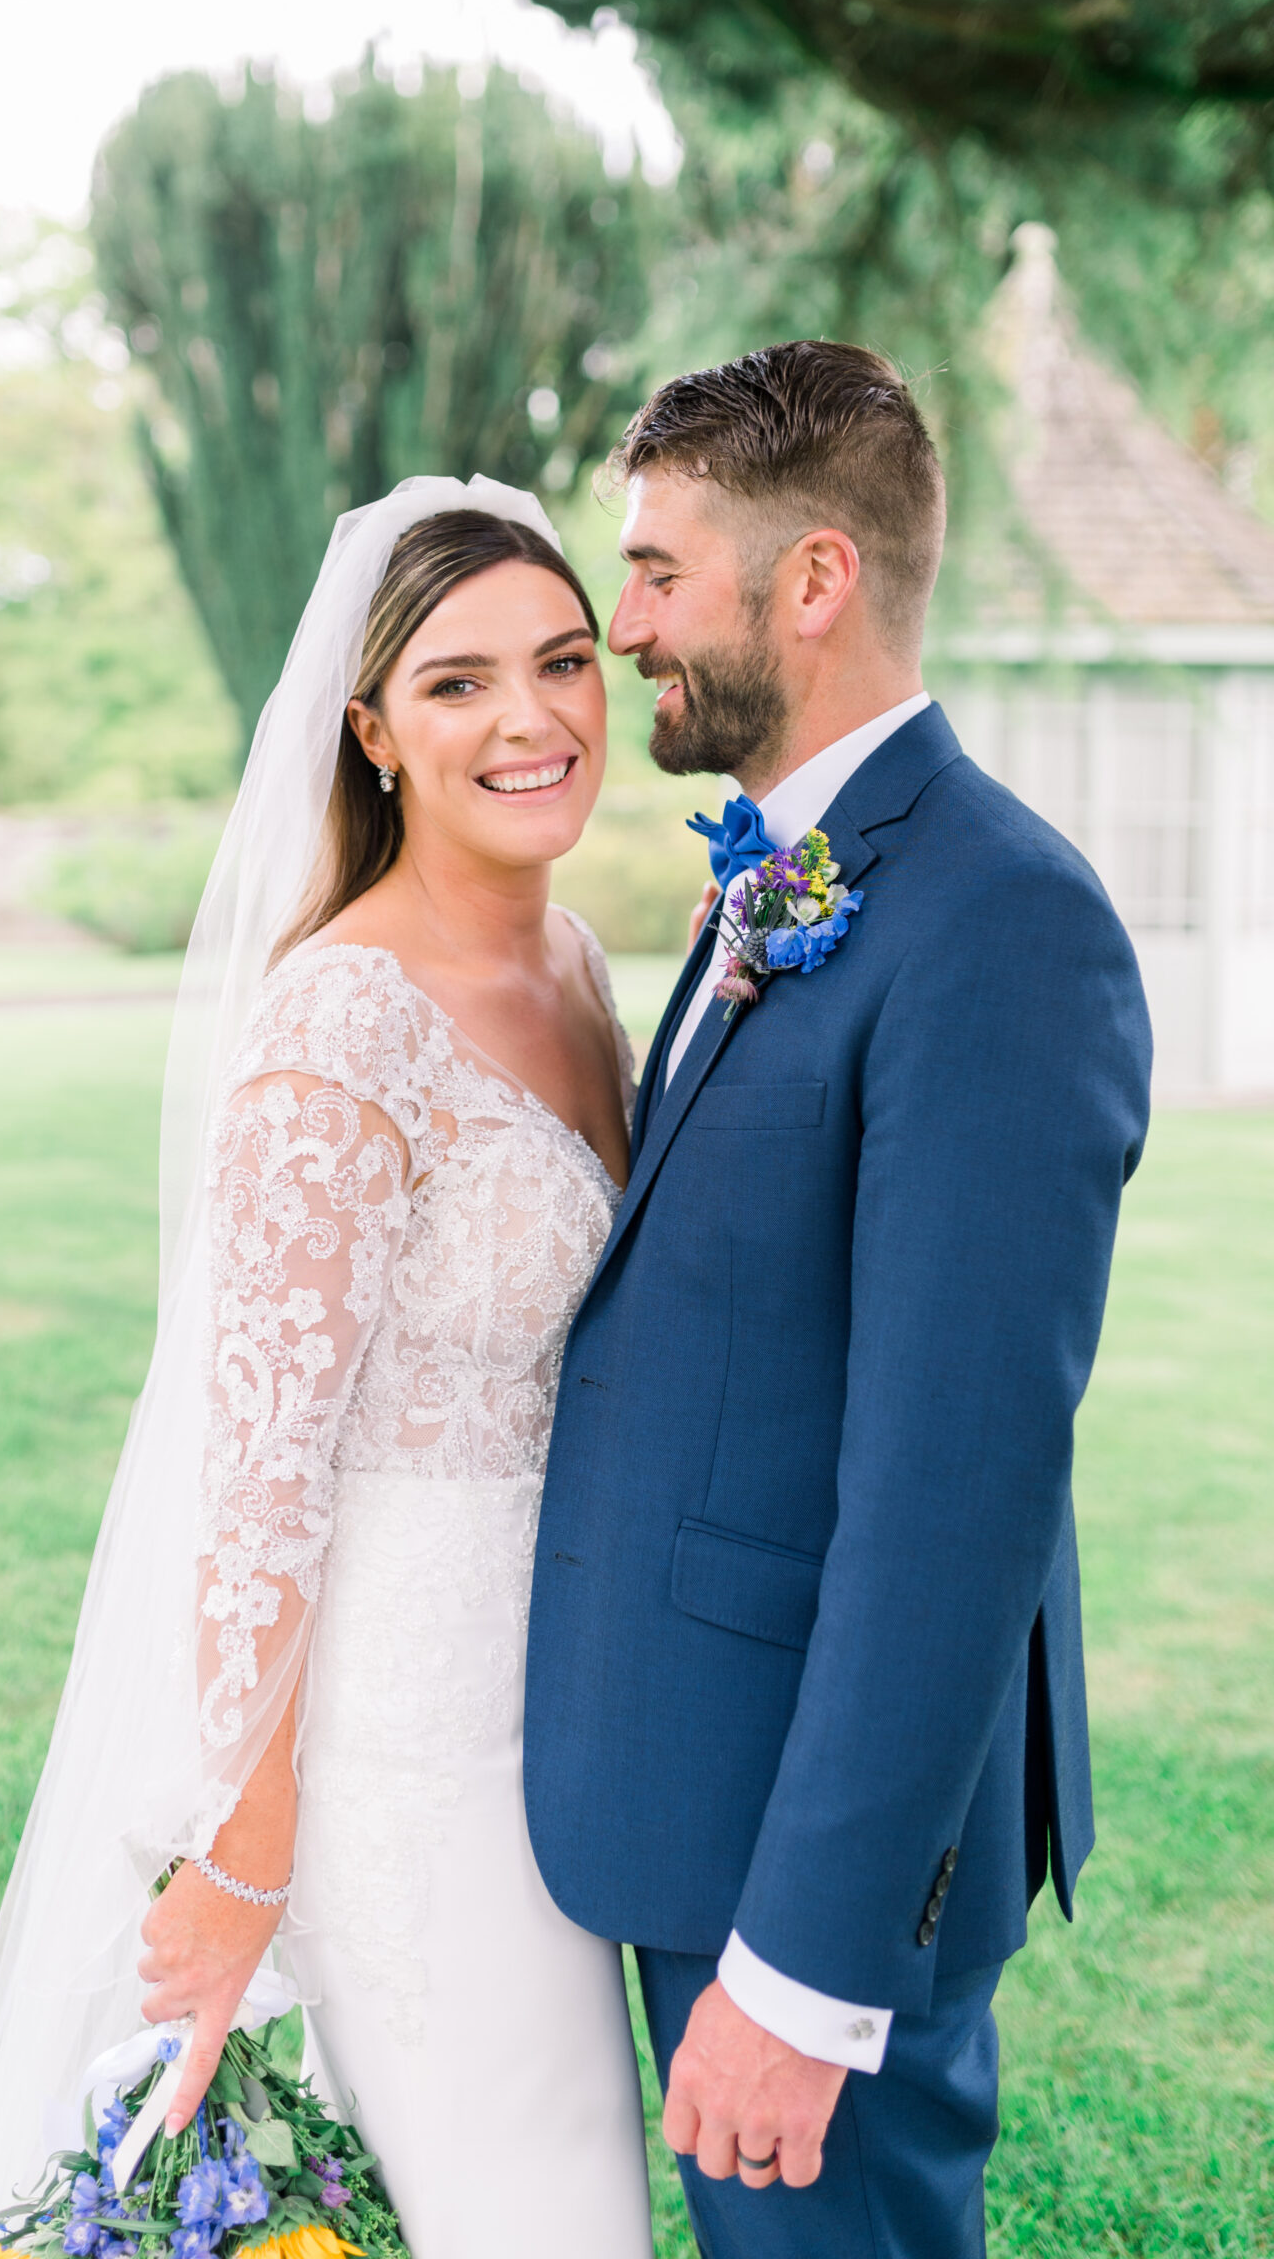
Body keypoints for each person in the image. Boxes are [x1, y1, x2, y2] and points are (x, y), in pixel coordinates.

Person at [0, 477, 651, 2259]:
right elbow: (259, 1480)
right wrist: (243, 1860)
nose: (529, 717)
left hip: (564, 1724)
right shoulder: (338, 1021)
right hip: (398, 1751)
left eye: (564, 661)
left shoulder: (582, 967)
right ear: (370, 733)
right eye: (456, 685)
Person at [525, 343, 1154, 2258]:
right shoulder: (767, 877)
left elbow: (952, 1499)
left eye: (655, 571)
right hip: (694, 1773)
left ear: (814, 581)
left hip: (801, 1865)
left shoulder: (1003, 926)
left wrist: (802, 1973)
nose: (616, 625)